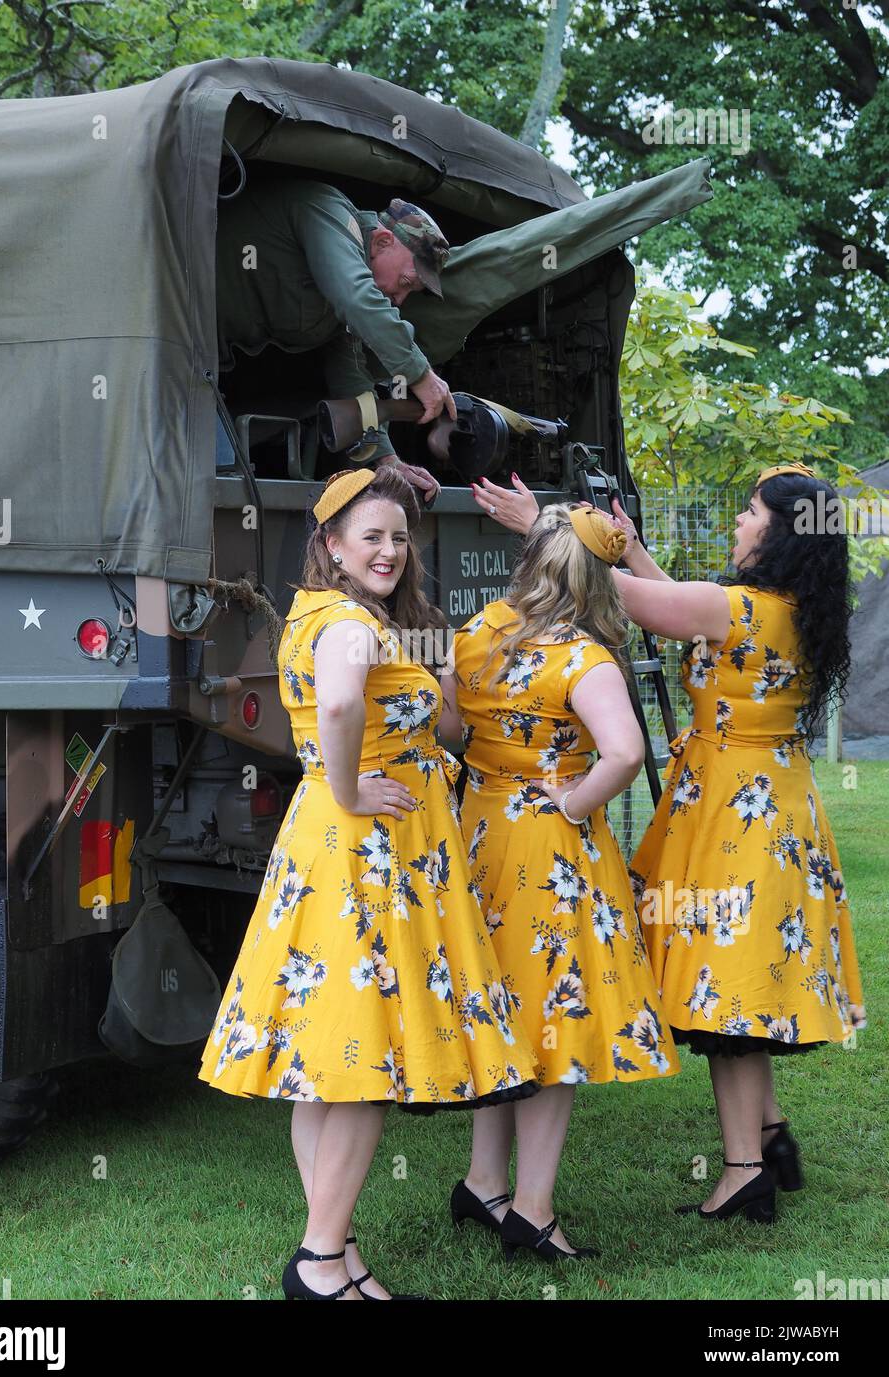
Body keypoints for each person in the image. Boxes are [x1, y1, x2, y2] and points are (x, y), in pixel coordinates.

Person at [469, 464, 866, 1225]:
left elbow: (620, 596)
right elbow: (667, 604)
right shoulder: (791, 607)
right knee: (737, 981)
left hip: (732, 820)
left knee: (729, 1000)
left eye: (750, 513)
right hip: (770, 803)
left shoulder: (737, 608)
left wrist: (546, 529)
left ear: (780, 532)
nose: (739, 523)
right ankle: (769, 1136)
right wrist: (633, 544)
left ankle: (744, 1170)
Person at [197, 463, 539, 1301]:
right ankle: (320, 1264)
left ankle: (334, 1252)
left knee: (325, 1059)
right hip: (367, 854)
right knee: (360, 1060)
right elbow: (344, 706)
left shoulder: (320, 613)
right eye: (370, 538)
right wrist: (351, 787)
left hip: (336, 845)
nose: (388, 551)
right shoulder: (351, 623)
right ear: (331, 547)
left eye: (397, 537)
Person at [441, 503, 680, 1263]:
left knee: (503, 1015)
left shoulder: (479, 630)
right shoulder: (582, 658)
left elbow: (449, 725)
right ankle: (532, 1210)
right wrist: (571, 800)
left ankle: (483, 1183)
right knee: (555, 1024)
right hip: (548, 852)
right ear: (597, 579)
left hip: (479, 835)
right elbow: (623, 752)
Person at [216, 179, 455, 504]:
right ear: (383, 241)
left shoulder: (348, 298)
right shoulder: (328, 211)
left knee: (221, 466)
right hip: (166, 327)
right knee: (211, 472)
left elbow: (352, 376)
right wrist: (421, 375)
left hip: (200, 358)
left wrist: (388, 461)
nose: (399, 299)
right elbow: (357, 298)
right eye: (404, 282)